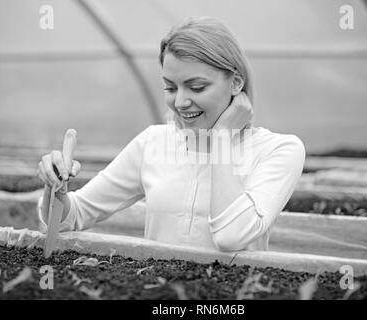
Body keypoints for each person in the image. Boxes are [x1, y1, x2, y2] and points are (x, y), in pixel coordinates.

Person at [36, 17, 305, 252]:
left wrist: (222, 136)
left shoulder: (279, 150)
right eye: (170, 88)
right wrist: (55, 188)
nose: (180, 102)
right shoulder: (153, 142)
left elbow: (230, 237)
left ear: (236, 83)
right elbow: (70, 218)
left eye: (197, 87)